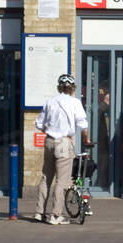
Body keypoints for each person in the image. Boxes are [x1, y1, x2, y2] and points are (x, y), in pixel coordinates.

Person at [33, 73, 92, 225]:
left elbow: (39, 124)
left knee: (46, 177)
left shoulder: (50, 102)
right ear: (72, 88)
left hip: (49, 141)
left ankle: (39, 212)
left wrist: (49, 129)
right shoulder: (75, 102)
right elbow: (82, 123)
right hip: (64, 143)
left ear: (59, 87)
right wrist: (87, 139)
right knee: (62, 181)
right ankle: (55, 215)